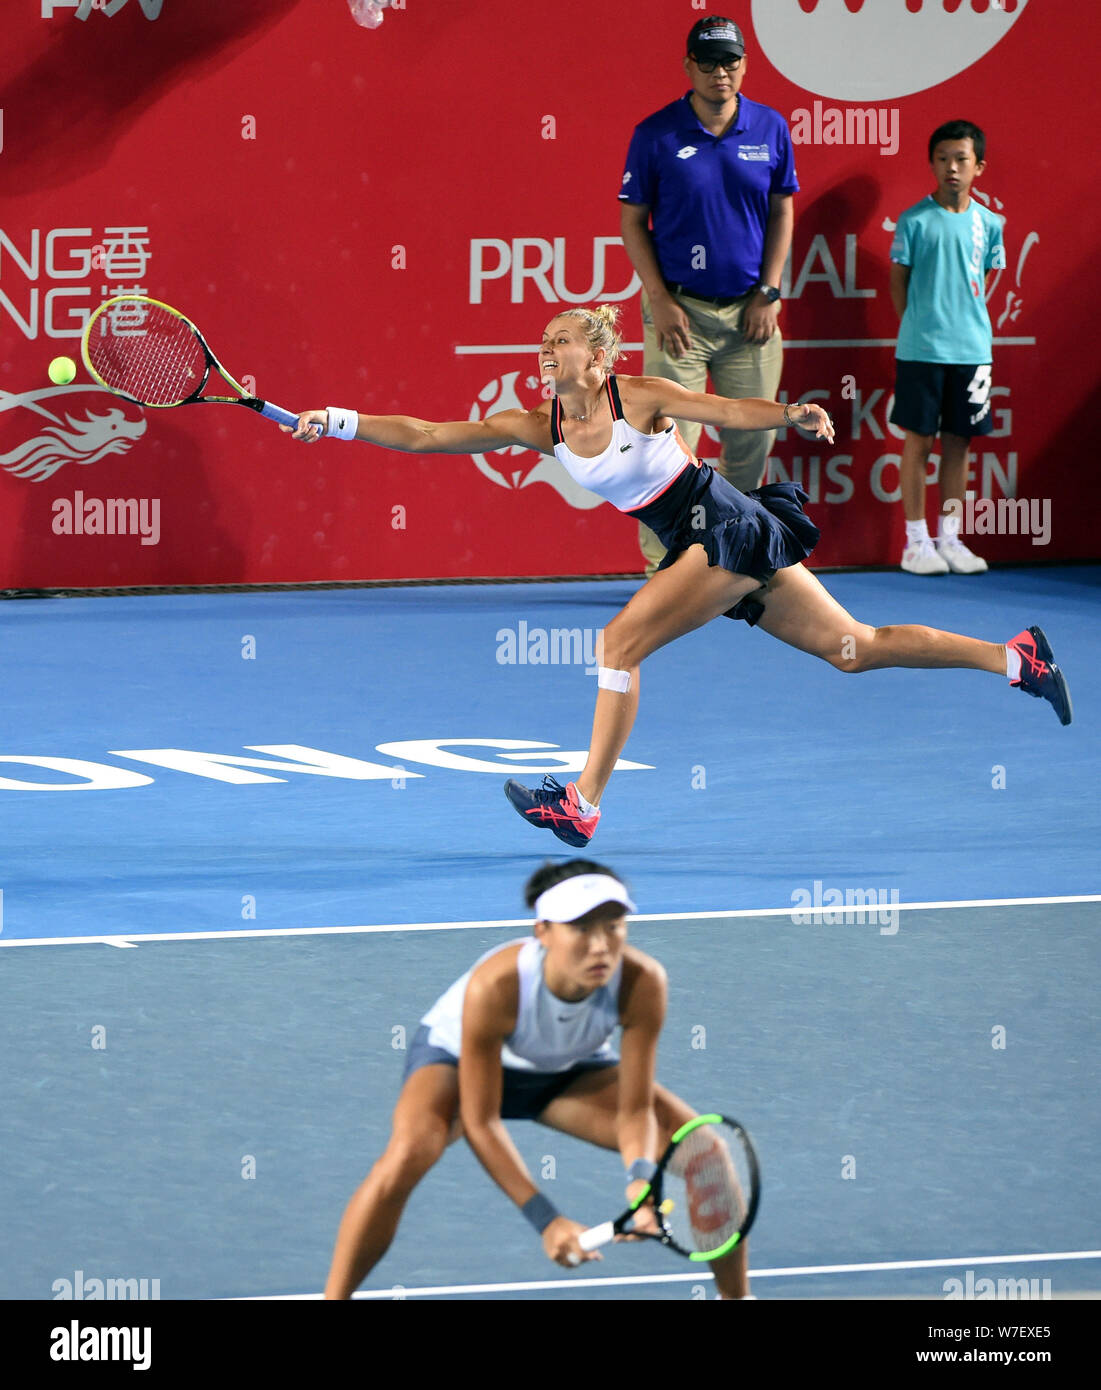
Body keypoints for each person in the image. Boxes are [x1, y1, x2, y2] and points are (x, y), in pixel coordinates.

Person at [286, 304, 1072, 849]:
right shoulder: (539, 427)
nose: (544, 353)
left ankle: (583, 804)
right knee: (854, 650)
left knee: (617, 644)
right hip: (709, 543)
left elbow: (723, 412)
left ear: (598, 357)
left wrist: (789, 414)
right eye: (541, 343)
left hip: (721, 524)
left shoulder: (640, 398)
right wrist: (339, 421)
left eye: (560, 342)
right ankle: (1017, 660)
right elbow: (426, 434)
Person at [323, 859, 754, 1300]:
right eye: (581, 928)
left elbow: (635, 1109)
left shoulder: (642, 983)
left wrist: (641, 1182)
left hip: (566, 1074)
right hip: (456, 1065)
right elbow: (481, 1121)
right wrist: (545, 1219)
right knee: (409, 1153)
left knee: (705, 1154)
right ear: (543, 931)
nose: (601, 946)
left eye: (613, 925)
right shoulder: (497, 985)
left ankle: (736, 1298)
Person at [618, 15, 798, 574]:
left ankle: (730, 560)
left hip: (751, 316)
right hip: (680, 315)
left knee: (751, 441)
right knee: (668, 448)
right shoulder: (656, 134)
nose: (722, 72)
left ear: (745, 64)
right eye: (709, 62)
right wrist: (659, 297)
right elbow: (632, 220)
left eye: (732, 61)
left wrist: (769, 291)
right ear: (688, 66)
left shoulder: (770, 129)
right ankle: (664, 568)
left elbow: (781, 210)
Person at [889, 119, 1006, 575]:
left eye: (961, 159)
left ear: (978, 167)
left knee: (959, 444)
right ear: (932, 164)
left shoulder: (990, 224)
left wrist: (962, 321)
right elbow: (899, 280)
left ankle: (951, 539)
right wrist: (920, 324)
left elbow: (985, 278)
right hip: (920, 351)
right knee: (919, 442)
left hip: (973, 352)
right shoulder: (914, 220)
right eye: (943, 159)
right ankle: (916, 543)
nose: (951, 168)